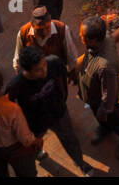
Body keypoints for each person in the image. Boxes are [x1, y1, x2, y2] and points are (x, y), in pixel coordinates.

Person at [7, 46, 93, 176]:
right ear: (26, 71)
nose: (44, 71)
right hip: (35, 122)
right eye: (38, 70)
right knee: (33, 144)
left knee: (70, 139)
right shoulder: (15, 85)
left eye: (44, 65)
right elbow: (9, 108)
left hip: (58, 112)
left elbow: (63, 78)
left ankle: (80, 163)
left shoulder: (54, 62)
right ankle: (37, 154)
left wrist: (61, 99)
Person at [77, 15, 119, 158]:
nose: (79, 36)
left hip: (104, 103)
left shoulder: (105, 66)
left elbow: (109, 94)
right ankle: (105, 128)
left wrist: (104, 111)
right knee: (102, 118)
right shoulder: (104, 38)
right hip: (93, 96)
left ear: (94, 40)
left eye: (82, 35)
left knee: (117, 120)